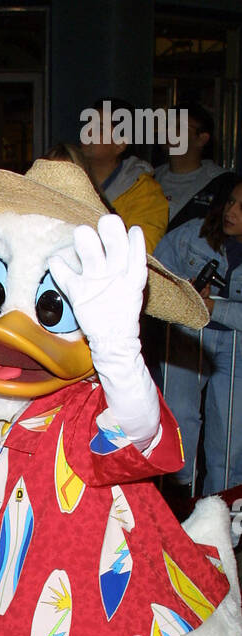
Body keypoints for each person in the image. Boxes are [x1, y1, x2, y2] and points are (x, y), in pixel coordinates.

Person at [154, 176, 242, 494]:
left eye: (241, 207)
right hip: (187, 335)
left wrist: (214, 307)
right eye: (230, 201)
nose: (232, 210)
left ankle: (219, 516)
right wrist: (182, 291)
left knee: (229, 440)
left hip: (235, 343)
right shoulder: (195, 233)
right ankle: (178, 501)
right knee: (178, 420)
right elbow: (156, 272)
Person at [79, 100, 168, 253]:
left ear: (120, 144)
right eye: (87, 125)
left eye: (99, 128)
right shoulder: (68, 176)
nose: (87, 132)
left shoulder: (145, 193)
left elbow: (140, 253)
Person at [154, 104, 230, 233]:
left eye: (179, 127)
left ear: (202, 139)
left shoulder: (222, 184)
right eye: (166, 126)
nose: (169, 131)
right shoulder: (148, 177)